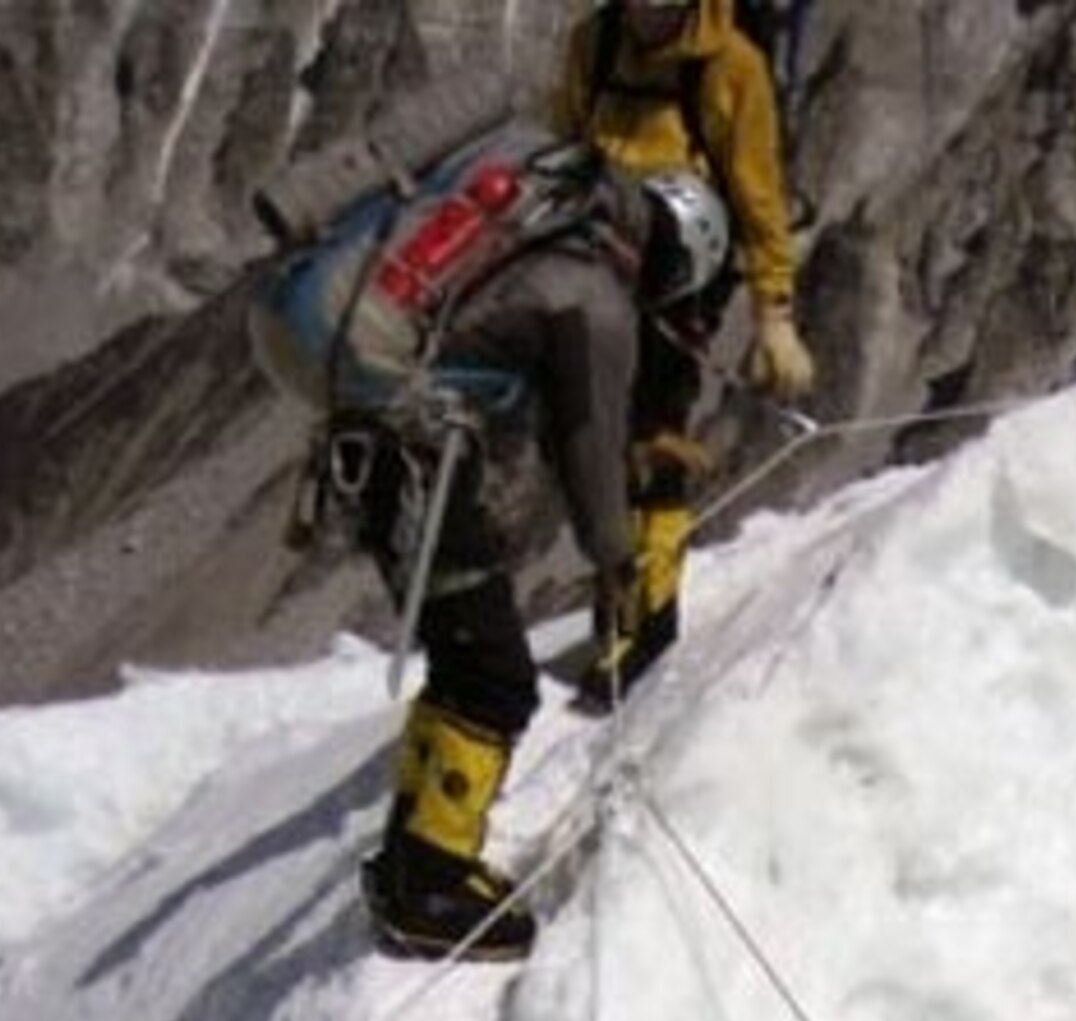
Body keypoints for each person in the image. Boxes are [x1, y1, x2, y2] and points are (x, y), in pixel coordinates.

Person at [339, 151, 732, 959]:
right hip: (419, 457)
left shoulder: (552, 242)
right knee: (492, 675)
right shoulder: (598, 301)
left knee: (464, 659)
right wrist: (616, 555)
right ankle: (432, 887)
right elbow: (588, 449)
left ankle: (410, 862)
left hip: (378, 446)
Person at [555, 0, 818, 710]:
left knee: (653, 429)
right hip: (599, 249)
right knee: (590, 430)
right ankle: (618, 598)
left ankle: (647, 618)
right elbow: (562, 144)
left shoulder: (732, 64)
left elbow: (760, 198)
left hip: (686, 269)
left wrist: (774, 314)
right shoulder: (595, 42)